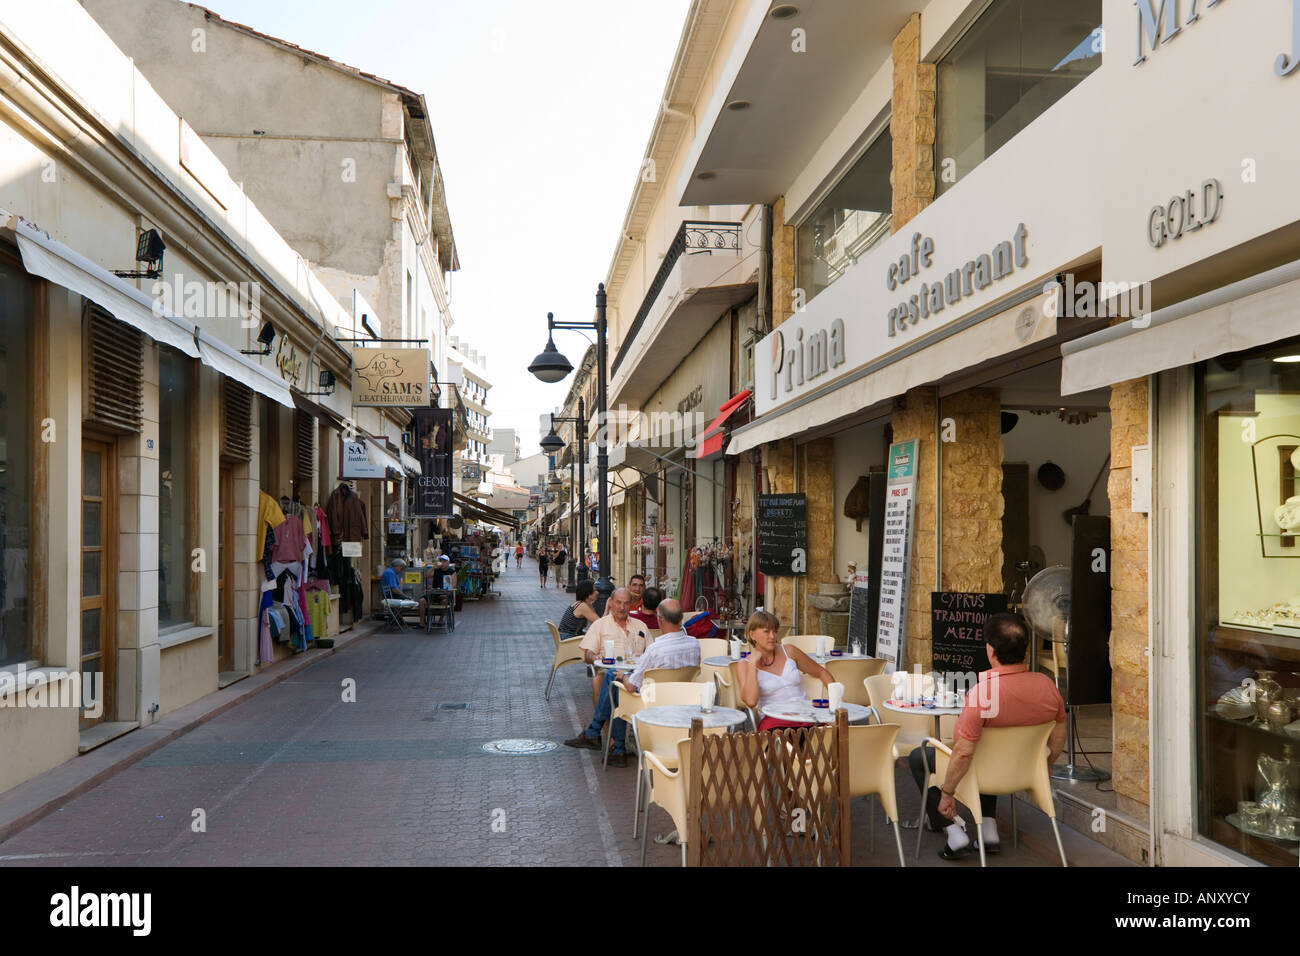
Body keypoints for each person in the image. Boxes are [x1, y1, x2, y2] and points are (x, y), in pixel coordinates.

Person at [909, 612, 1067, 860]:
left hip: (982, 773)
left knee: (920, 757)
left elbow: (962, 752)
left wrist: (947, 794)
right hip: (1023, 773)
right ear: (1024, 649)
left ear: (991, 650)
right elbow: (1060, 730)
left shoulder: (982, 694)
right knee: (986, 748)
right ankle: (989, 831)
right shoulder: (1047, 685)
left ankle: (953, 832)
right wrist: (1046, 765)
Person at [564, 599, 699, 767]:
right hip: (680, 696)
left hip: (652, 699)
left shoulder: (655, 649)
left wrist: (624, 677)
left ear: (661, 620)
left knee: (617, 684)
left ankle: (611, 743)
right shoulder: (694, 644)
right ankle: (599, 736)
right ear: (680, 620)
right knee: (614, 675)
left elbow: (631, 686)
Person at [736, 610, 834, 731]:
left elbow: (821, 672)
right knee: (789, 739)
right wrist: (752, 665)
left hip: (805, 714)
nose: (772, 636)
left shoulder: (789, 651)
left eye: (775, 631)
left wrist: (838, 699)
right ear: (752, 635)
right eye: (766, 631)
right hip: (775, 720)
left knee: (831, 733)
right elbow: (751, 701)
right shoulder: (744, 665)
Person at [577, 588, 650, 709]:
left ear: (630, 605)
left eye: (626, 603)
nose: (622, 607)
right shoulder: (600, 624)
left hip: (635, 673)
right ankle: (606, 724)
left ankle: (604, 724)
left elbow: (651, 652)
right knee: (598, 680)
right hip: (608, 671)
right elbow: (588, 655)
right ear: (610, 603)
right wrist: (595, 656)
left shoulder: (640, 625)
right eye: (618, 602)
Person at [418, 554, 456, 629]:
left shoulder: (452, 572)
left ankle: (441, 619)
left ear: (448, 562)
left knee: (444, 601)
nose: (442, 562)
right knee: (421, 601)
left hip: (446, 594)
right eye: (441, 561)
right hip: (434, 593)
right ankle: (422, 622)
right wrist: (433, 568)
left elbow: (454, 585)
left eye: (444, 561)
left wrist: (447, 593)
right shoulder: (436, 570)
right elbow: (426, 576)